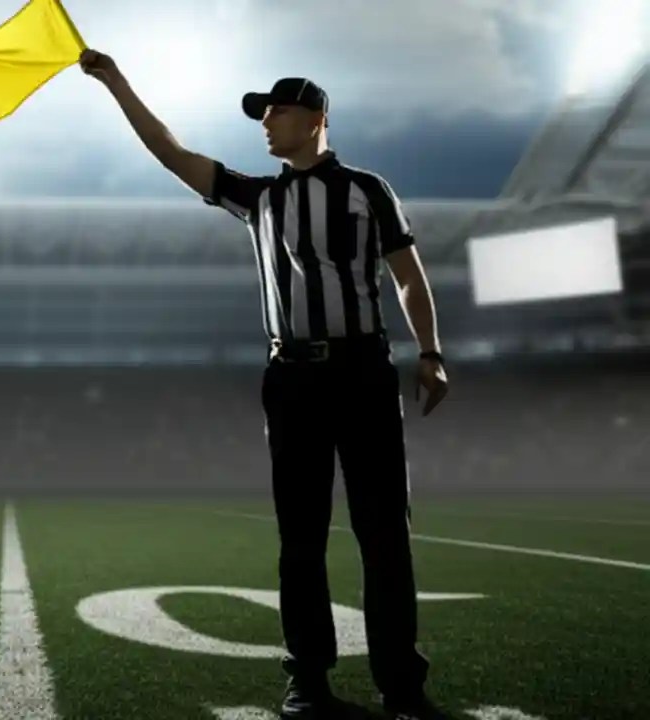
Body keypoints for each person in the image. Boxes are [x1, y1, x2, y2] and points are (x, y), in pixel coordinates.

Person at [78, 48, 451, 720]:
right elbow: (170, 151)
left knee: (383, 534)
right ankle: (308, 679)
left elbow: (407, 274)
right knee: (301, 537)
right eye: (263, 115)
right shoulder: (261, 196)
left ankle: (401, 684)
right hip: (292, 377)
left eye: (276, 112)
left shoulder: (367, 189)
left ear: (315, 118)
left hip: (363, 370)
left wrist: (431, 352)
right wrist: (116, 83)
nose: (266, 124)